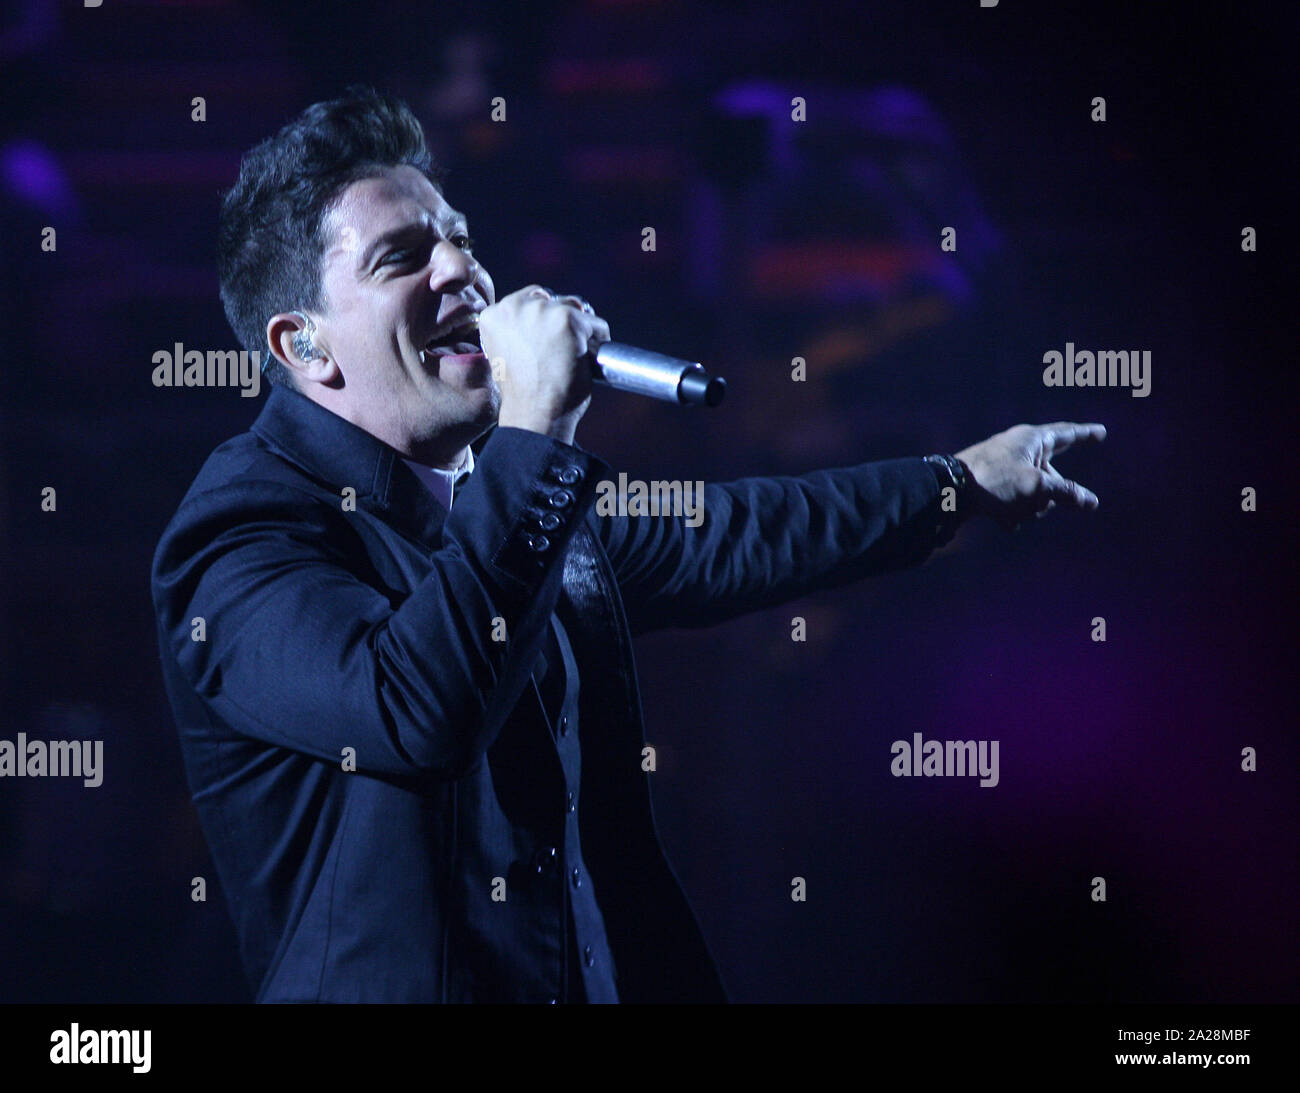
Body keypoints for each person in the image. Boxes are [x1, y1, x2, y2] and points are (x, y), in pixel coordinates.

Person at [151, 87, 1104, 1004]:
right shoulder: (244, 533)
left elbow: (730, 534)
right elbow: (416, 707)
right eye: (402, 257)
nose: (462, 272)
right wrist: (533, 430)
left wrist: (959, 482)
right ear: (303, 345)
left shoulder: (495, 489)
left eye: (460, 239)